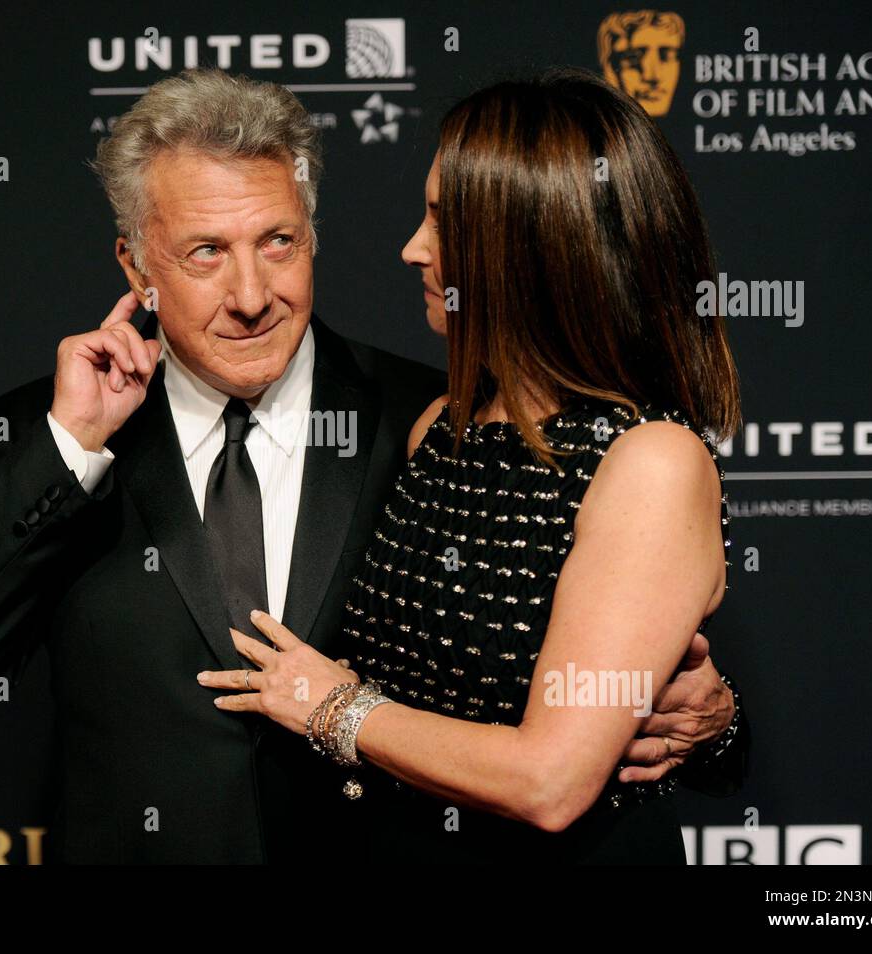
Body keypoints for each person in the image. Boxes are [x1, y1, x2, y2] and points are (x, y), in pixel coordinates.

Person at [0, 68, 746, 864]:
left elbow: (539, 668)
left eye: (279, 241)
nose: (253, 295)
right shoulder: (49, 432)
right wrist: (73, 445)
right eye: (206, 253)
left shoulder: (424, 418)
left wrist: (705, 717)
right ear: (135, 262)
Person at [195, 68, 747, 863]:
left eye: (443, 222)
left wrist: (333, 708)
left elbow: (551, 783)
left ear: (532, 247)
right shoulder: (441, 428)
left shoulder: (651, 461)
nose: (413, 249)